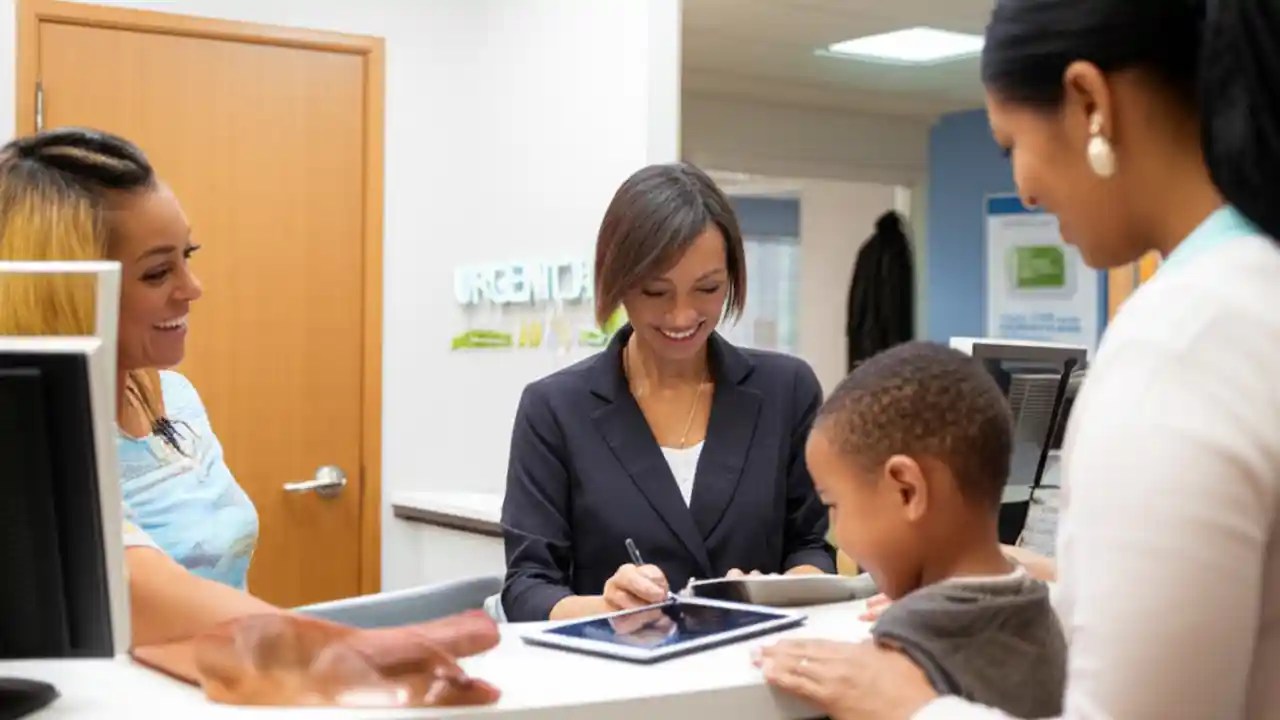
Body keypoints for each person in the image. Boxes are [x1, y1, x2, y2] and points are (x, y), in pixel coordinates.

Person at [757, 0, 1280, 717]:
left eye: (1010, 144)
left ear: (1089, 101)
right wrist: (1055, 583)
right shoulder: (1252, 296)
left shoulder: (1178, 345)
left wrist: (912, 707)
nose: (1025, 187)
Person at [0, 127, 499, 706]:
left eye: (187, 257)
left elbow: (206, 593)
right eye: (157, 273)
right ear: (70, 287)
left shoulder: (176, 401)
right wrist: (350, 650)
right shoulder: (25, 438)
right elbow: (128, 585)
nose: (193, 289)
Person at [501, 162, 836, 622]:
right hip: (619, 678)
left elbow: (812, 547)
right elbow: (526, 589)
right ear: (617, 282)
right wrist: (607, 607)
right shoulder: (555, 409)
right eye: (655, 292)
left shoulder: (787, 391)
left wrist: (779, 589)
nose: (682, 316)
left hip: (757, 669)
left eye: (708, 289)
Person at [767, 341, 1064, 717]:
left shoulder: (903, 645)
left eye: (834, 505)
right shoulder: (1044, 612)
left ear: (907, 490)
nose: (837, 533)